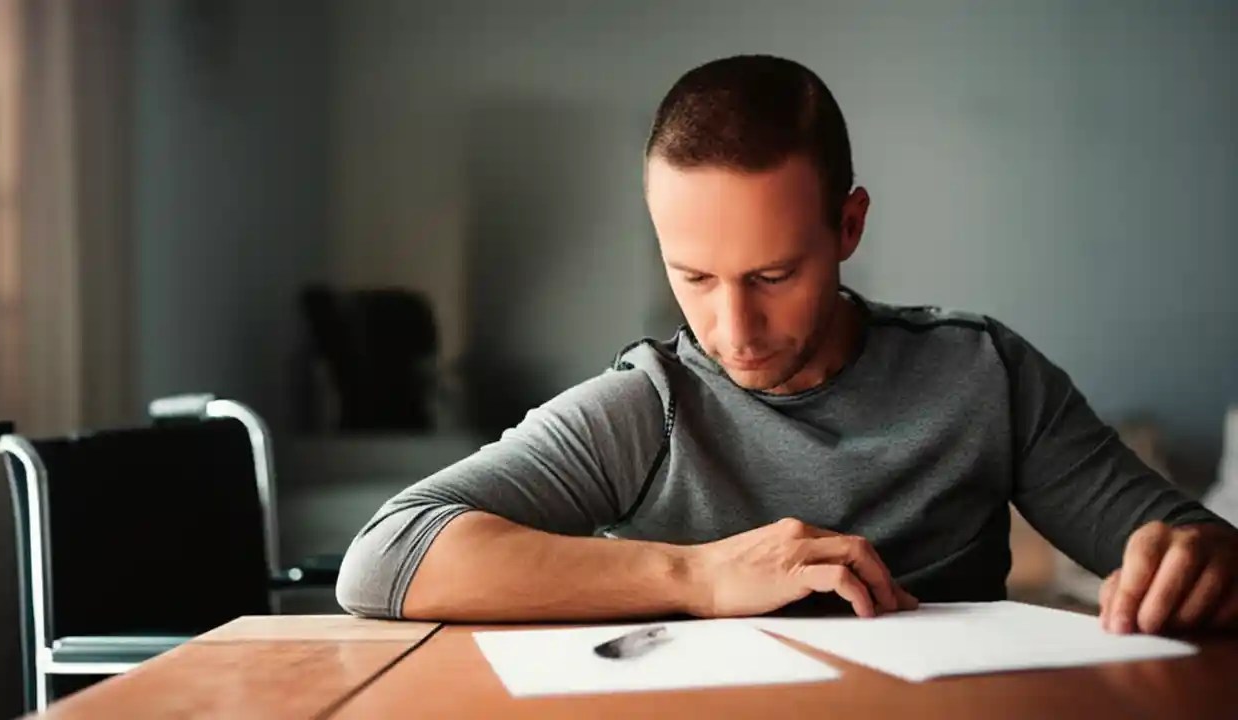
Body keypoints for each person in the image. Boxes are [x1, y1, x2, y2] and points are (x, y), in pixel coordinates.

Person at [336, 55, 1237, 635]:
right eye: (692, 279)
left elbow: (1184, 544)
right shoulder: (648, 405)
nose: (732, 331)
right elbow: (386, 556)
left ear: (848, 226)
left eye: (772, 277)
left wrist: (1198, 563)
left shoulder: (983, 376)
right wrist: (696, 576)